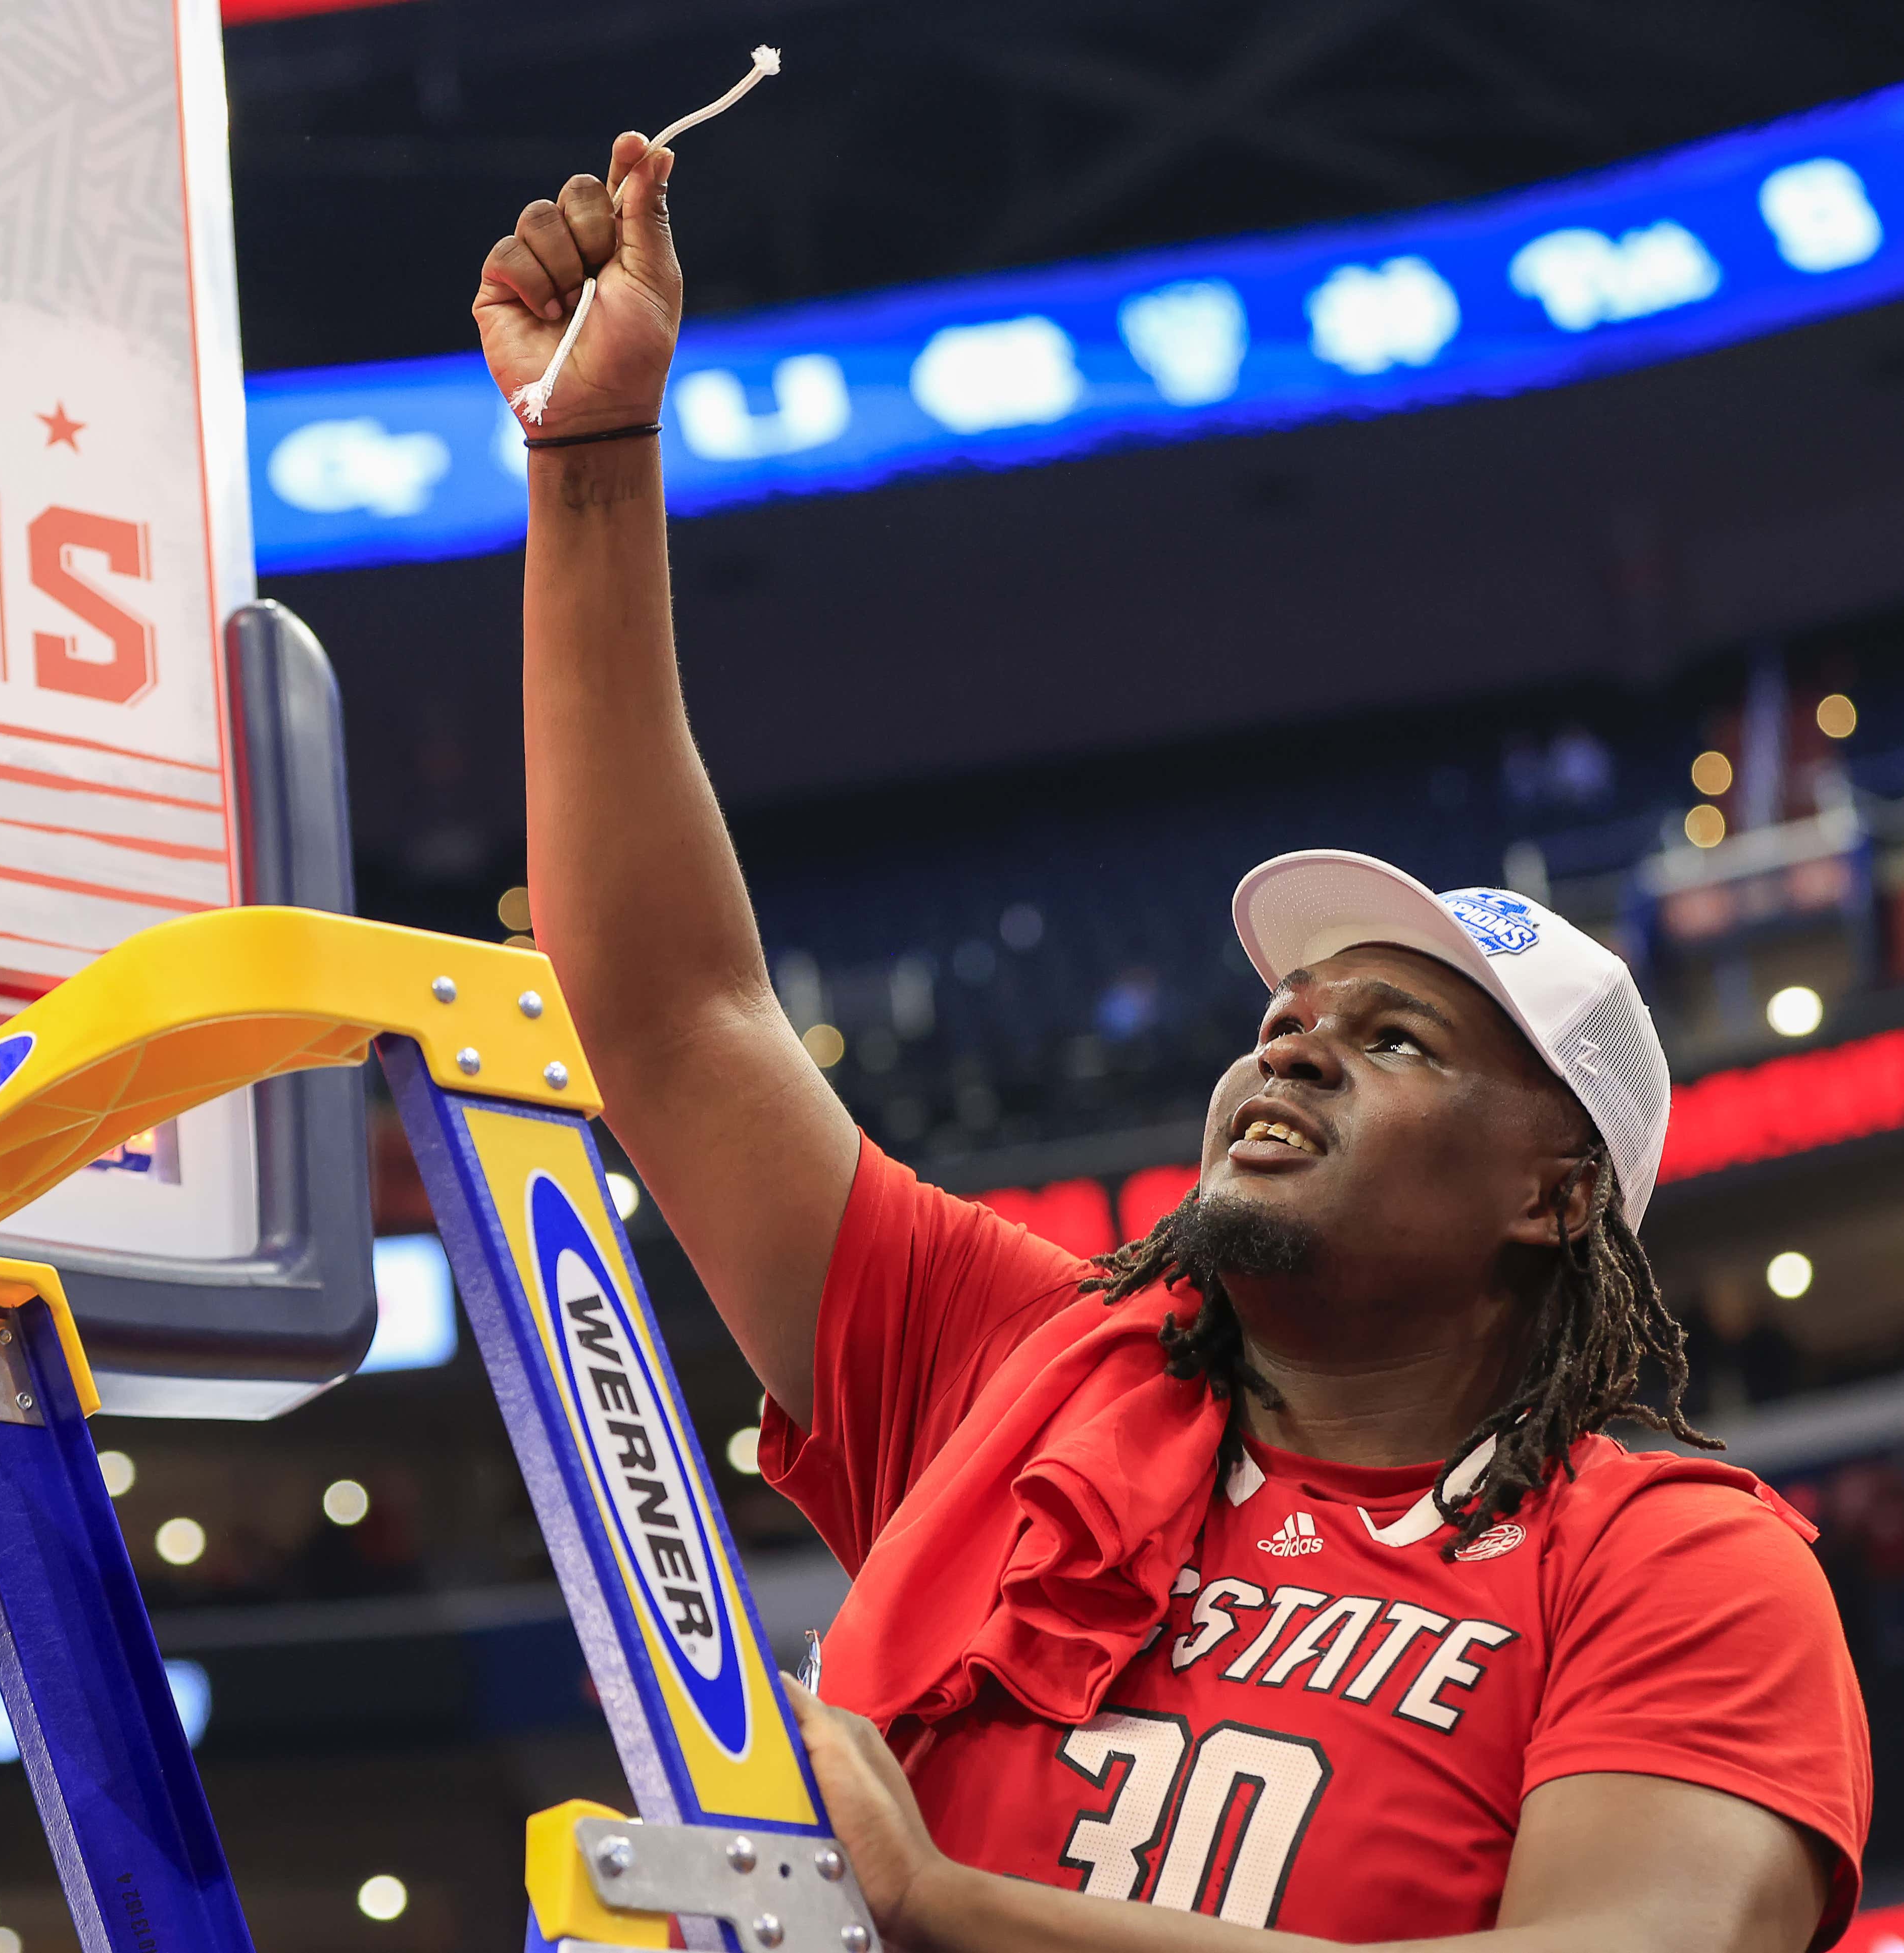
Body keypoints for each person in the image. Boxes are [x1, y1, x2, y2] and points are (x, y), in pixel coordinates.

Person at [473, 135, 1870, 1953]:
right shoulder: (1020, 1364)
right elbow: (671, 1014)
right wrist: (589, 459)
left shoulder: (1677, 1560)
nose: (1288, 1053)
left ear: (1554, 1188)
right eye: (1284, 1020)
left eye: (1395, 1039)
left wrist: (947, 1909)